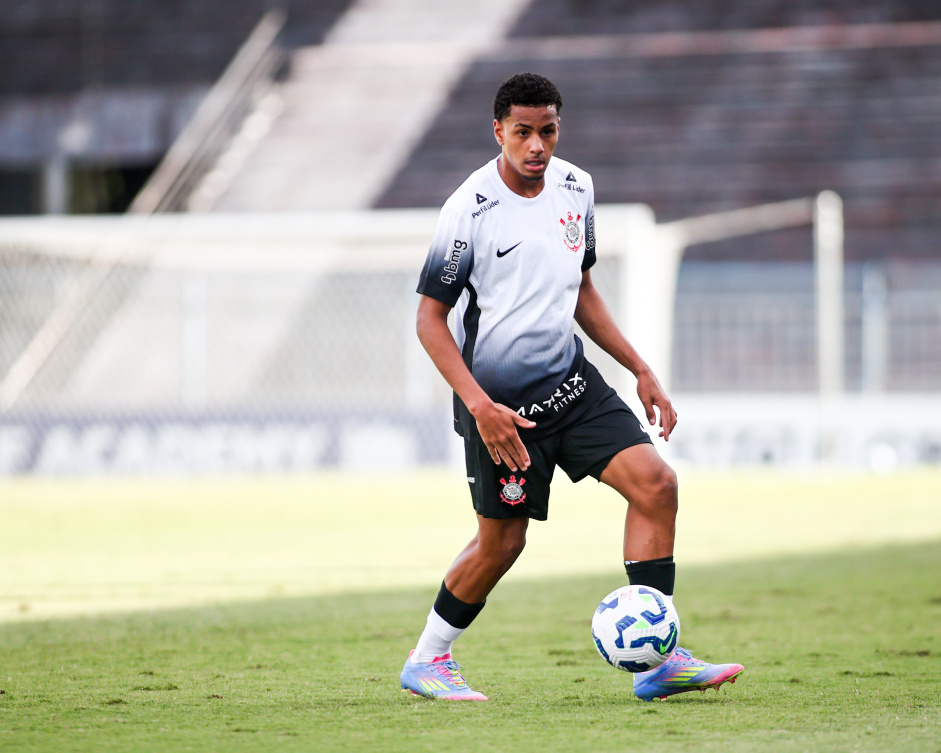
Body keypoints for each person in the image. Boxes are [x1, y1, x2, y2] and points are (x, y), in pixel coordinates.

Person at [400, 72, 743, 702]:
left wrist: (639, 367)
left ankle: (657, 662)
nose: (536, 145)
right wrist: (481, 407)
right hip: (501, 407)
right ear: (498, 130)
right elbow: (429, 318)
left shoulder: (576, 188)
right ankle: (427, 659)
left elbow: (581, 291)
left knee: (657, 484)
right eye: (523, 132)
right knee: (502, 542)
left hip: (571, 384)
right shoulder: (467, 209)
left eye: (547, 131)